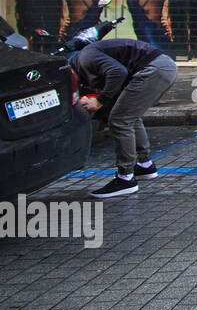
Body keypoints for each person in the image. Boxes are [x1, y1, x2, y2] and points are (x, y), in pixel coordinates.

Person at [69, 38, 179, 199]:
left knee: (119, 120)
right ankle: (145, 165)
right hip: (162, 67)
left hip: (153, 69)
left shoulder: (85, 58)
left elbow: (117, 72)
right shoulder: (86, 61)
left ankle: (125, 178)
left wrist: (99, 101)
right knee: (129, 116)